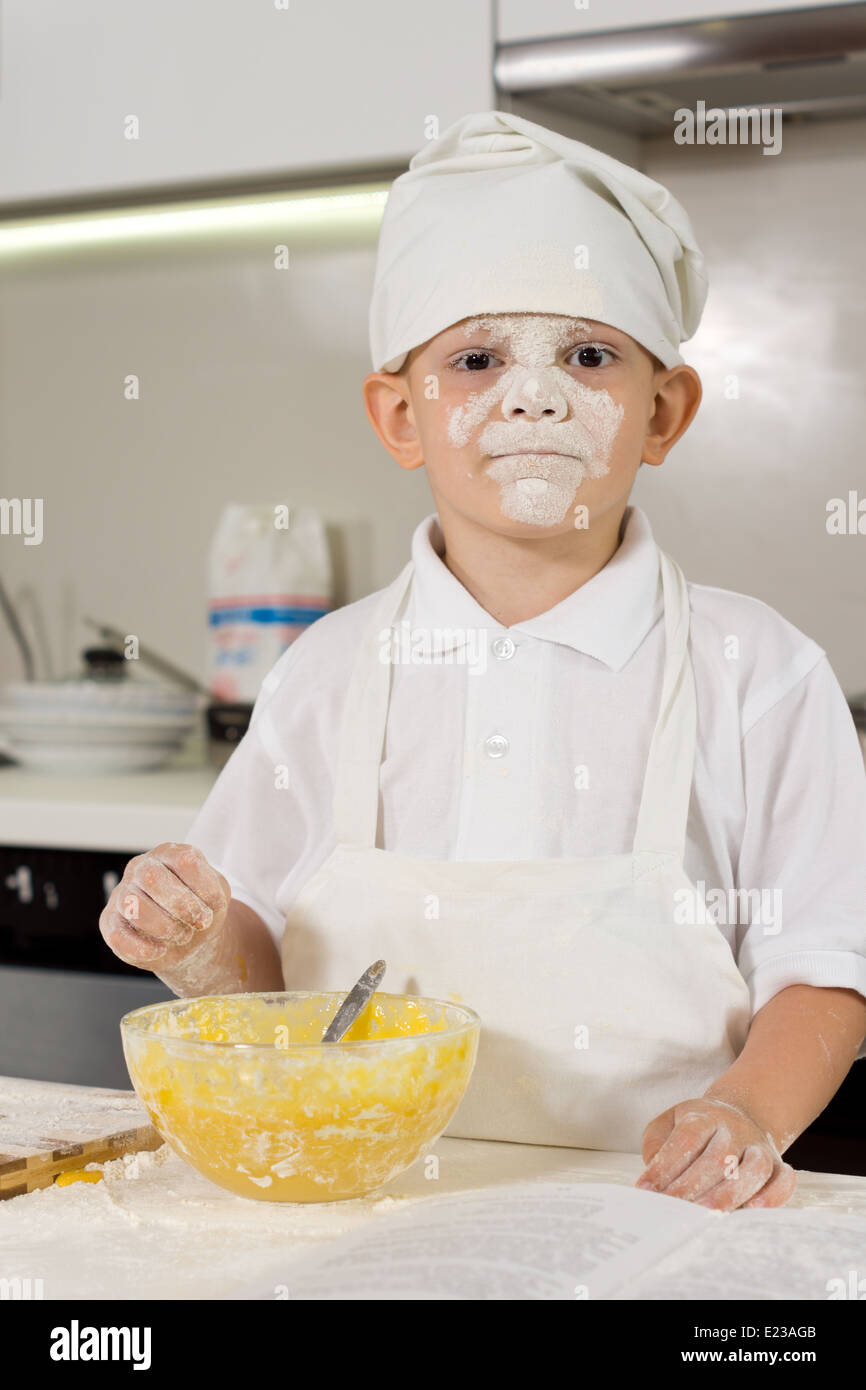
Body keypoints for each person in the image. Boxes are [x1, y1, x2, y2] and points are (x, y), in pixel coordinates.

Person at [100, 110, 866, 1210]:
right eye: (476, 357)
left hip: (654, 1213)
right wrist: (193, 935)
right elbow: (253, 963)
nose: (534, 393)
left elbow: (825, 971)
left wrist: (743, 1111)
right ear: (397, 415)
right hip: (352, 1214)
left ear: (665, 411)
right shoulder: (329, 670)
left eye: (589, 355)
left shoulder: (759, 670)